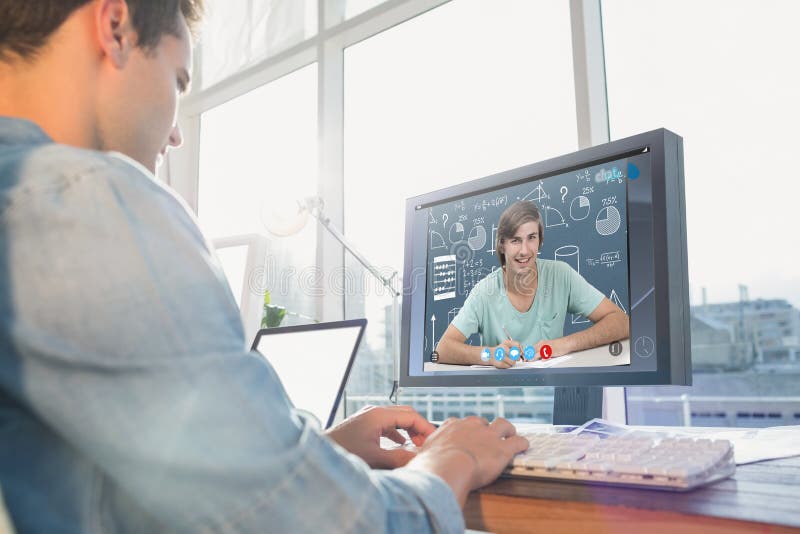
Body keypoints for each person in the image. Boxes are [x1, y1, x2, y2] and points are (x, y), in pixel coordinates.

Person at [0, 1, 529, 532]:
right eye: (178, 80)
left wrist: (311, 455)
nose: (177, 134)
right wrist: (451, 458)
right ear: (115, 27)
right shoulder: (85, 203)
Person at [436, 200, 629, 368]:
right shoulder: (484, 292)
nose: (524, 251)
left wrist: (561, 345)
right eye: (515, 240)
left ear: (540, 240)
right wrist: (489, 355)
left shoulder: (561, 274)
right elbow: (443, 349)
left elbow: (622, 323)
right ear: (502, 245)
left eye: (531, 238)